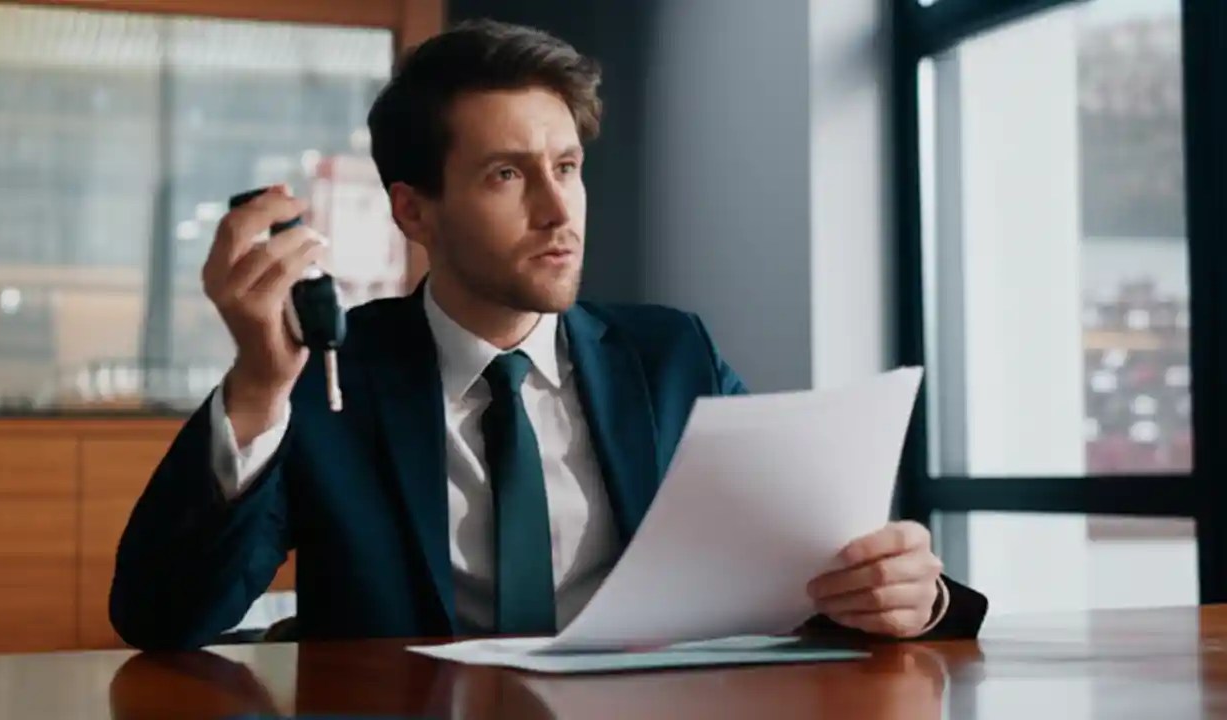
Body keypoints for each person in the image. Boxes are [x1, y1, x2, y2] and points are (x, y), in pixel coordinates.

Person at [110, 19, 987, 651]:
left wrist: (911, 595)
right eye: (506, 174)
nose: (558, 207)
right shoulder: (327, 377)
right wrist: (260, 385)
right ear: (415, 210)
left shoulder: (672, 357)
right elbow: (161, 619)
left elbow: (803, 566)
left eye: (566, 167)